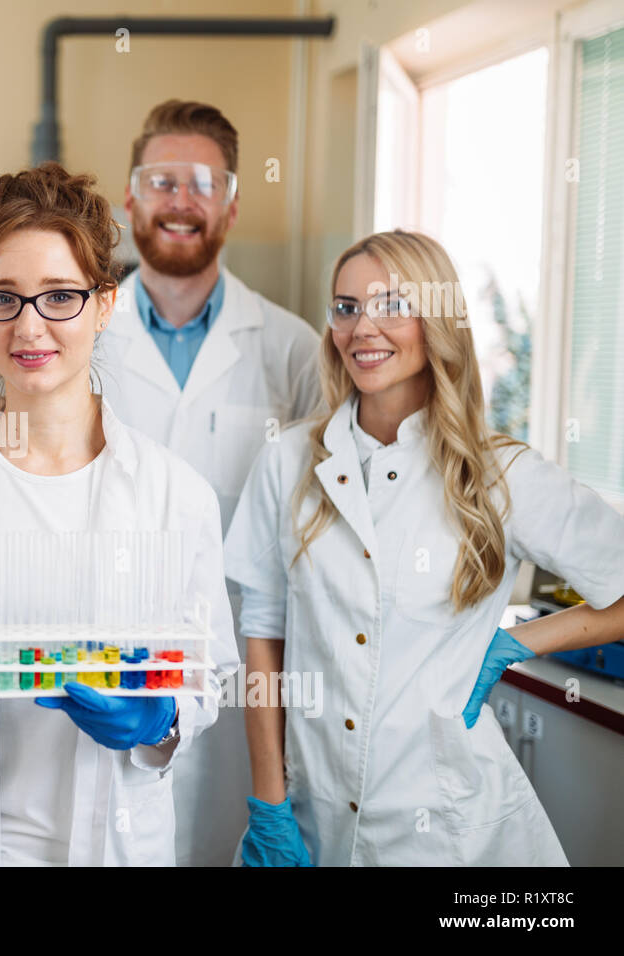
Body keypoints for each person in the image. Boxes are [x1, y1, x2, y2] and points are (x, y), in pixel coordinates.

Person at [0, 163, 238, 866]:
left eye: (60, 296)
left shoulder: (176, 495)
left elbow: (205, 675)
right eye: (4, 297)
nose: (29, 327)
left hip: (114, 840)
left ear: (105, 303)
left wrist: (162, 712)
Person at [224, 229, 624, 865]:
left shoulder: (500, 474)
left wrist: (519, 643)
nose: (363, 328)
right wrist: (270, 805)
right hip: (314, 816)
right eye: (347, 307)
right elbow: (264, 637)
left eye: (392, 305)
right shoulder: (289, 461)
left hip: (454, 832)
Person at [95, 100, 322, 865]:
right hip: (112, 657)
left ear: (231, 203)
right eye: (162, 181)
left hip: (243, 671)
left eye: (203, 182)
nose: (181, 201)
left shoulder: (293, 350)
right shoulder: (79, 335)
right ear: (130, 199)